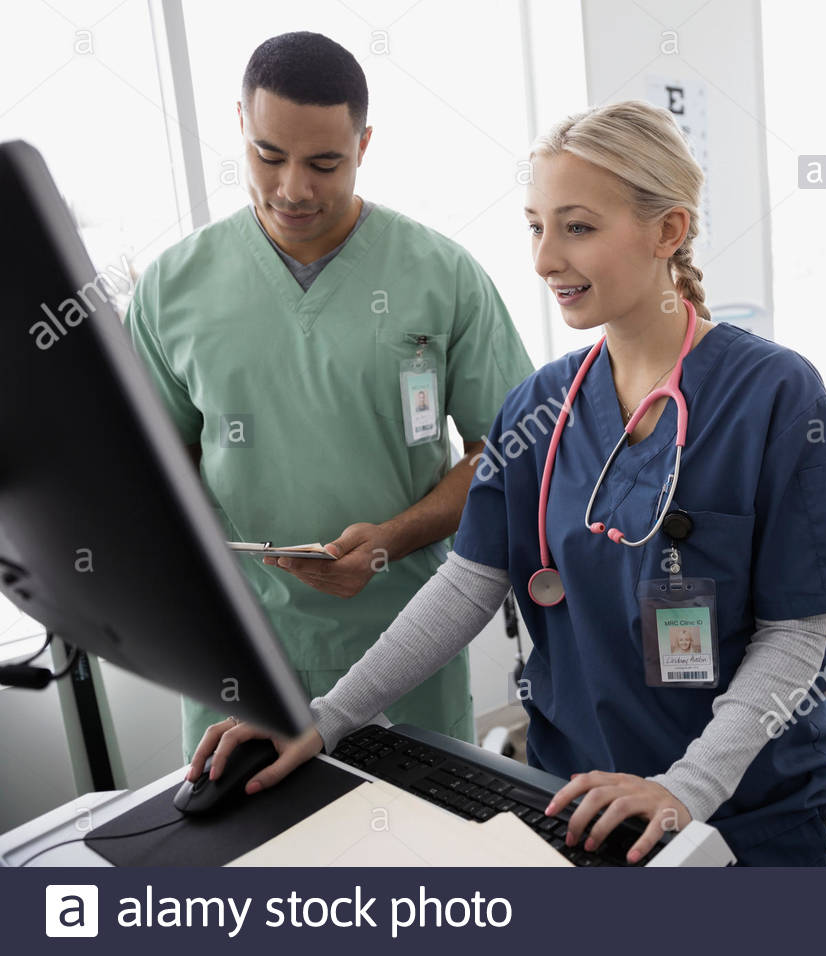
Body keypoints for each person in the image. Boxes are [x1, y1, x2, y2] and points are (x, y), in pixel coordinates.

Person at [189, 101, 826, 867]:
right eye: (535, 226)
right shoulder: (540, 409)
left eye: (578, 227)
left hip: (745, 809)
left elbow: (797, 634)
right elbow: (466, 588)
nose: (545, 258)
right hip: (579, 799)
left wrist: (686, 788)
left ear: (668, 231)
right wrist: (323, 719)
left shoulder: (773, 394)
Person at [125, 32, 534, 761]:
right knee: (251, 857)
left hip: (404, 641)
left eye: (324, 163)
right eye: (267, 156)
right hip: (242, 652)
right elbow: (154, 461)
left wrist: (393, 538)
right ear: (239, 129)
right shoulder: (172, 288)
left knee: (413, 860)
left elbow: (509, 454)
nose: (293, 189)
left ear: (364, 143)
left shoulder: (441, 276)